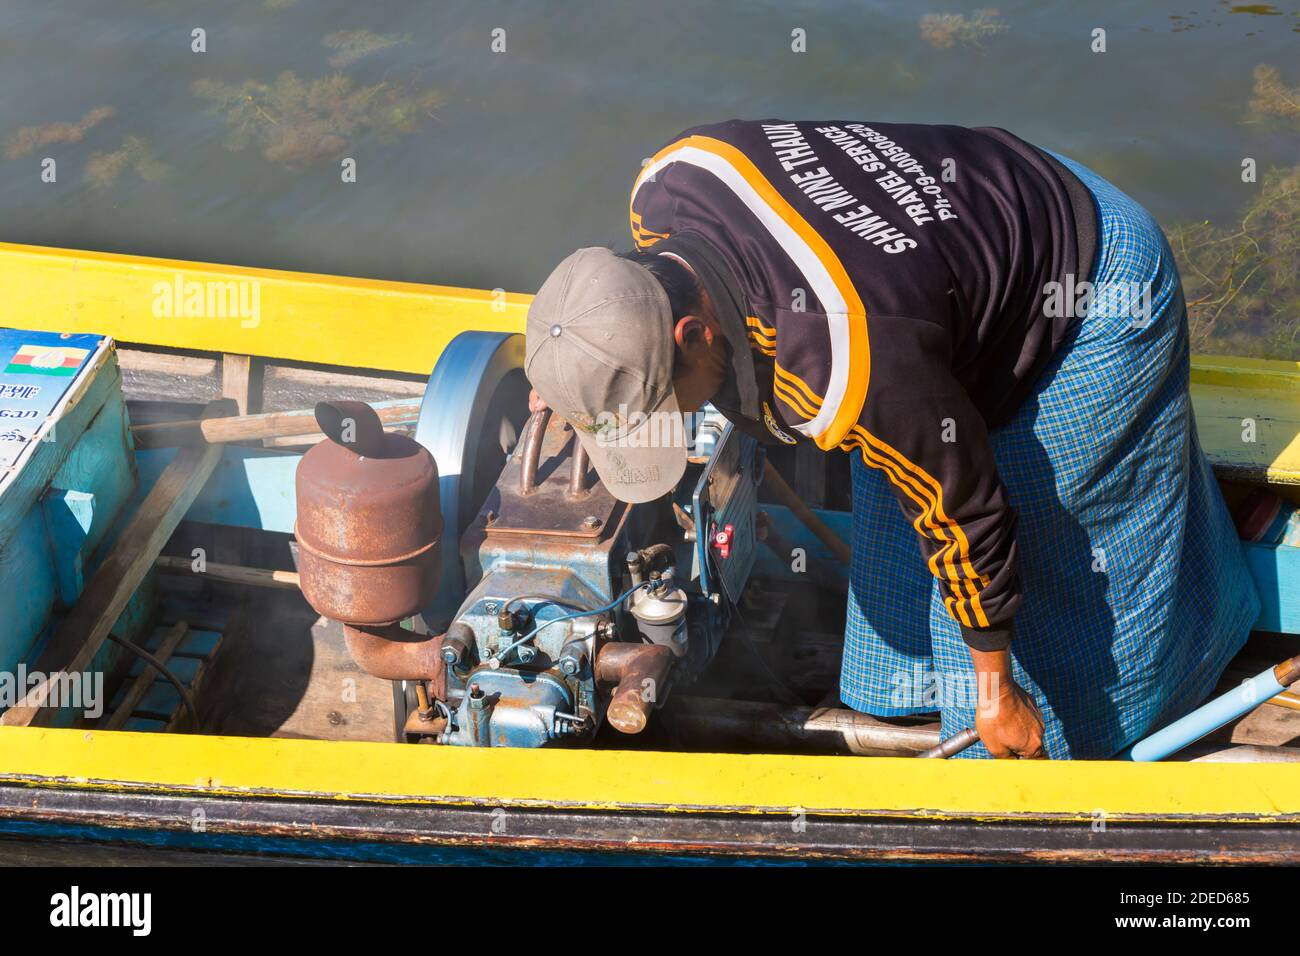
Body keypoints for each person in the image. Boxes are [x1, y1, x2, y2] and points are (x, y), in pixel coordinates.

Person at [523, 119, 1260, 758]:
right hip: (950, 254)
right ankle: (907, 707)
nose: (673, 421)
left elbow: (968, 510)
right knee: (888, 465)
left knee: (1051, 585)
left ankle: (1131, 708)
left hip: (1090, 290)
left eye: (663, 402)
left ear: (692, 332)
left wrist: (997, 691)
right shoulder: (669, 181)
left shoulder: (843, 355)